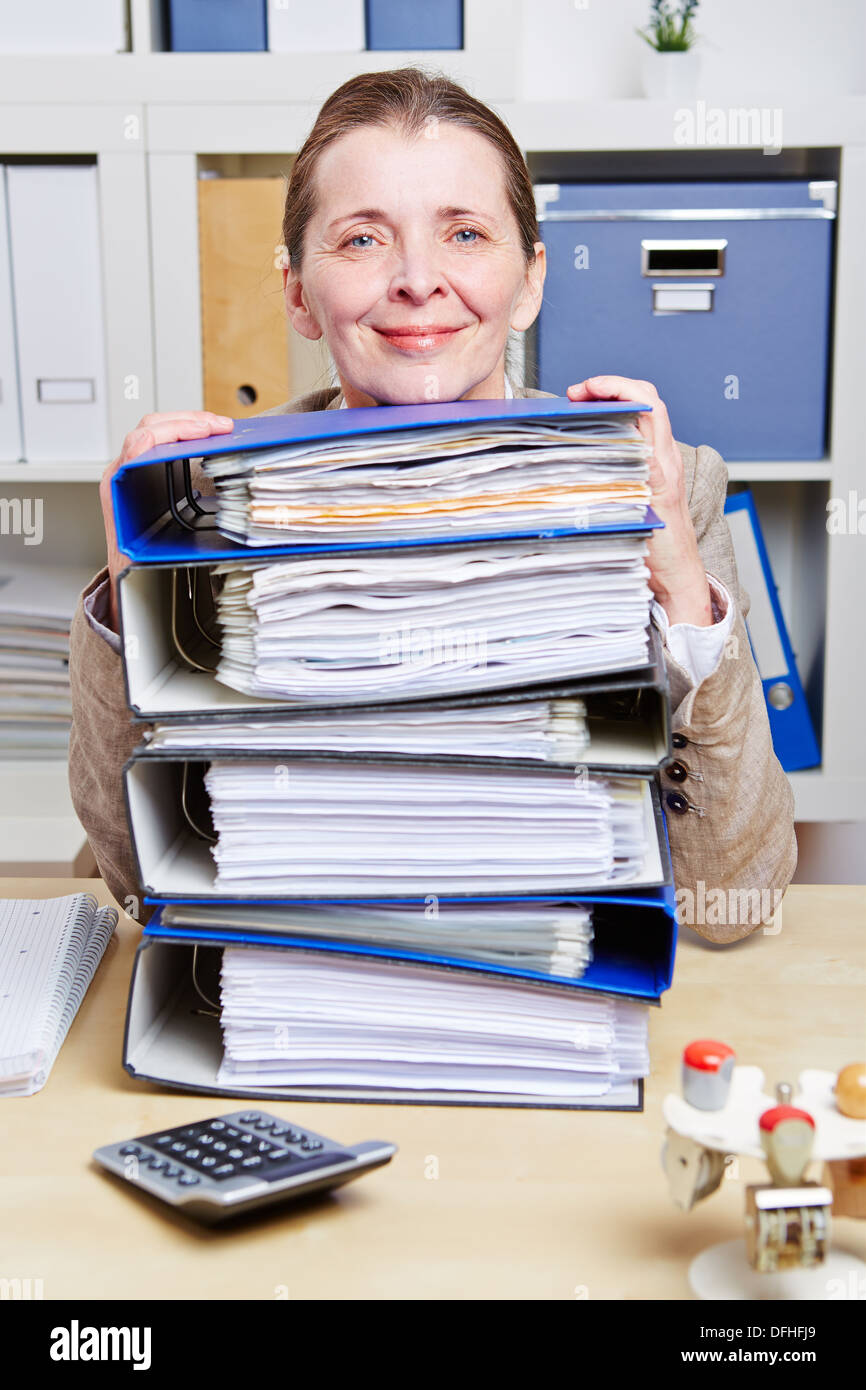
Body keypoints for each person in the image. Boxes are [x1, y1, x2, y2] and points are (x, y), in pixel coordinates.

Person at [68, 67, 796, 944]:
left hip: (547, 986)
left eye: (464, 232)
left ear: (528, 280)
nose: (419, 280)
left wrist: (676, 573)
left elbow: (736, 899)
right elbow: (141, 884)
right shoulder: (209, 504)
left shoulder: (668, 482)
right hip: (318, 993)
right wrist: (133, 592)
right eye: (365, 240)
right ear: (300, 291)